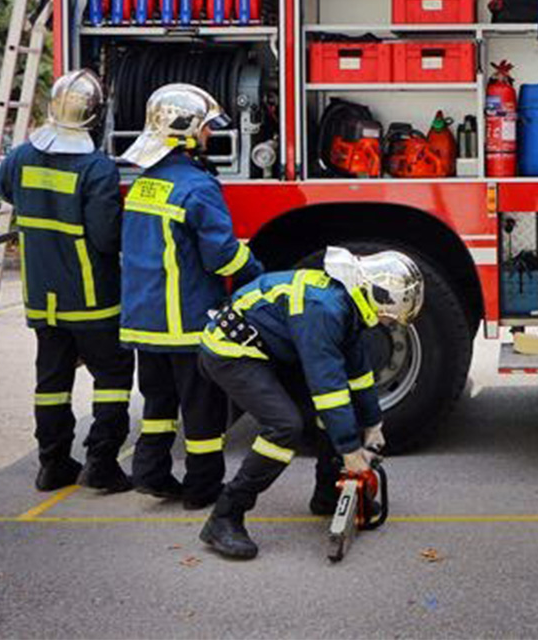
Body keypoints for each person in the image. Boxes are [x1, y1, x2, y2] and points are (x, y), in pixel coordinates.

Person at [197, 246, 424, 560]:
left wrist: (374, 424)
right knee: (284, 426)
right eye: (389, 313)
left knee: (326, 411)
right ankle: (225, 516)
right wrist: (349, 451)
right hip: (230, 351)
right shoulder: (323, 309)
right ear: (374, 293)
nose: (388, 321)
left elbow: (358, 375)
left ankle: (327, 493)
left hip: (267, 349)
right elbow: (327, 388)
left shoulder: (348, 306)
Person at [120, 83, 262, 509]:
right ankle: (202, 489)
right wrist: (256, 273)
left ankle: (150, 474)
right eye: (203, 129)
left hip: (145, 322)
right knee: (203, 411)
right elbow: (221, 256)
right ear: (184, 132)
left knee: (159, 404)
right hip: (186, 323)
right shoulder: (197, 188)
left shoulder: (143, 184)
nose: (208, 136)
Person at [0, 70, 133, 493]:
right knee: (112, 377)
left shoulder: (19, 157)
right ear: (94, 116)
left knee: (51, 383)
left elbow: (7, 193)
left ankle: (52, 464)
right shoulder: (97, 169)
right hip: (92, 300)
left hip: (42, 299)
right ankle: (101, 464)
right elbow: (107, 238)